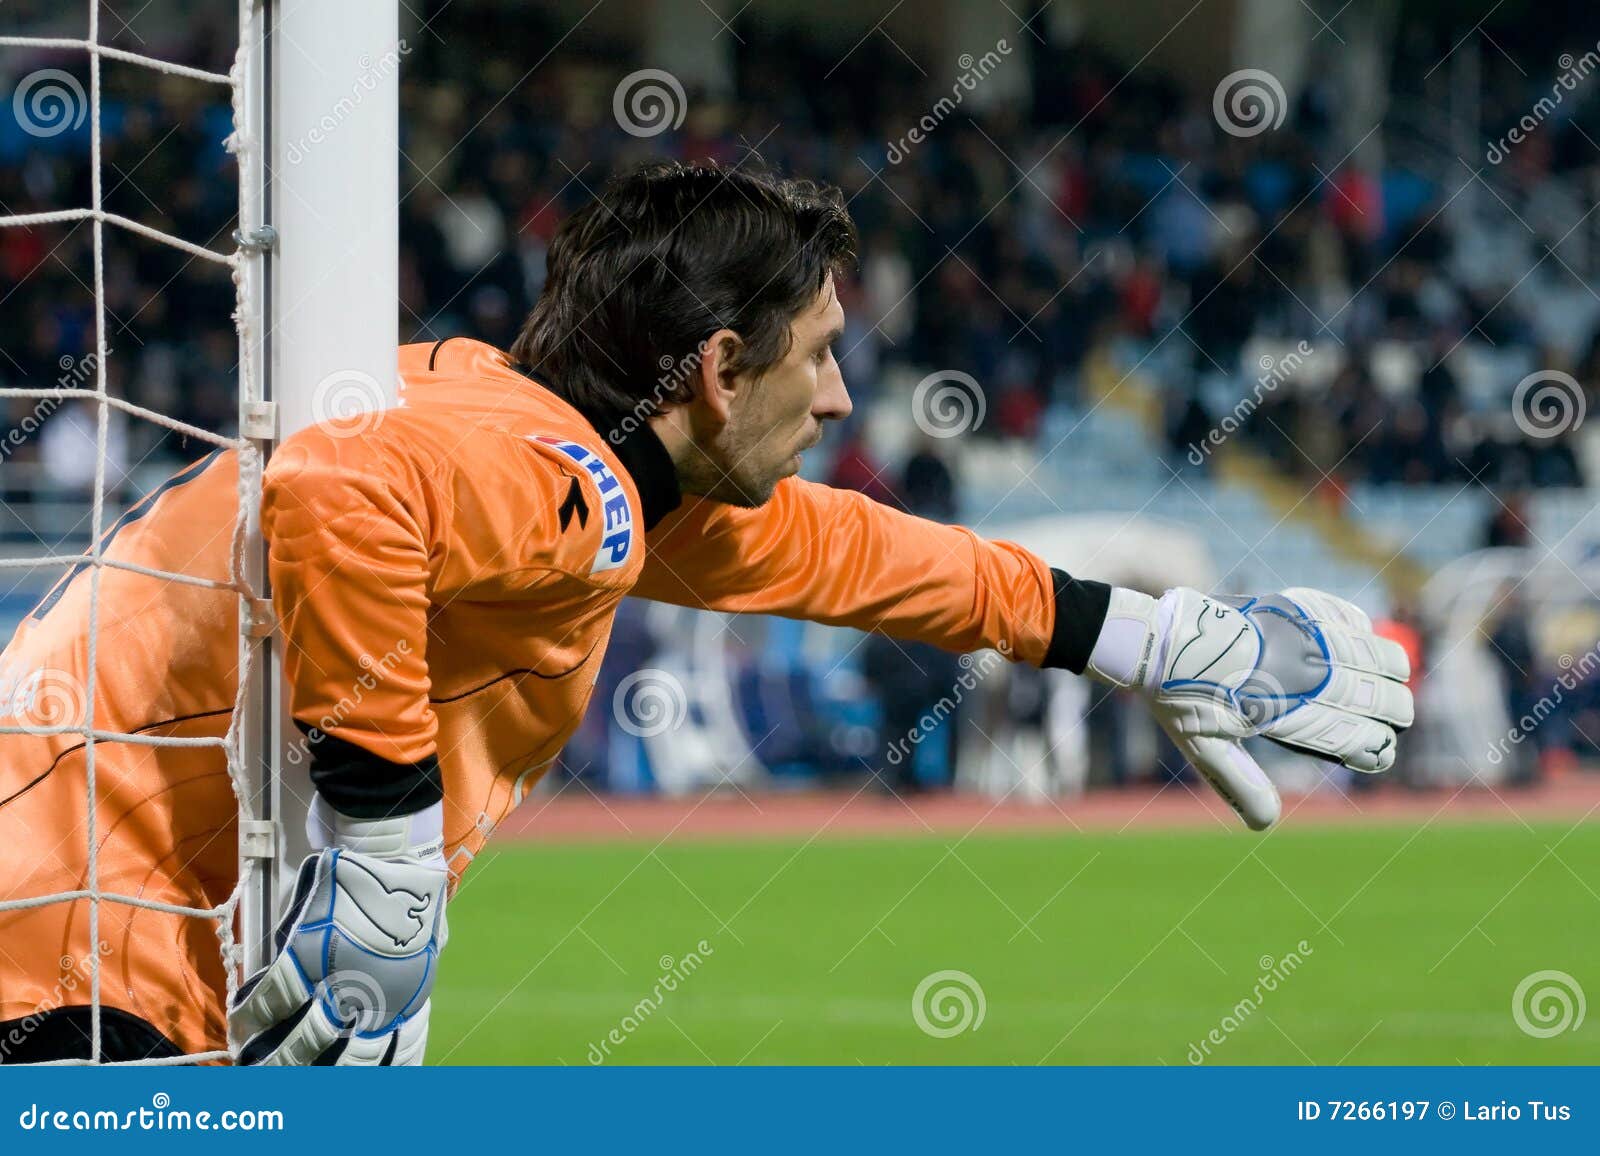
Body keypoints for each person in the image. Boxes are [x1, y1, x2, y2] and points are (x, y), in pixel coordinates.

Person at [0, 161, 1412, 1066]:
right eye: (825, 355)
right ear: (723, 370)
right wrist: (386, 848)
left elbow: (876, 561)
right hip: (67, 965)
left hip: (117, 943)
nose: (846, 397)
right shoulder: (549, 474)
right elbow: (336, 494)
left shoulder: (586, 471)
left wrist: (1166, 641)